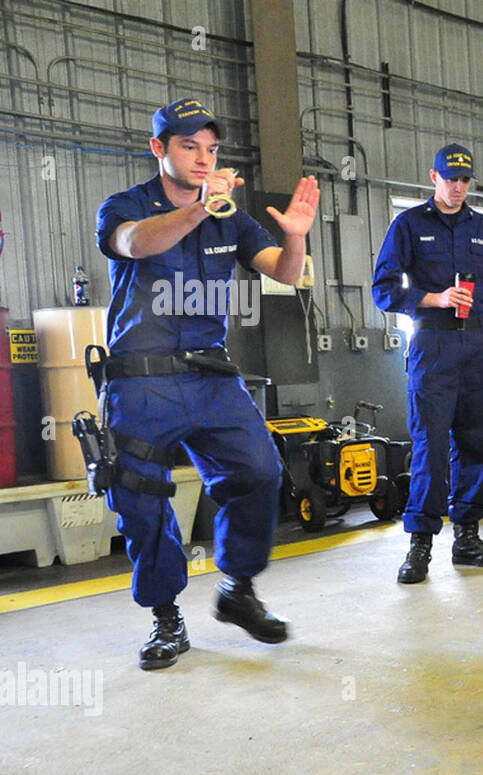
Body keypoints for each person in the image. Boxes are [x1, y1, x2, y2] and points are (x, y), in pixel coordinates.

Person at [95, 98, 320, 670]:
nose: (202, 158)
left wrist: (294, 235)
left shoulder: (230, 217)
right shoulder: (124, 208)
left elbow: (285, 272)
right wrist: (199, 207)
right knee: (141, 502)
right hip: (140, 384)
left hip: (210, 376)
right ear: (159, 149)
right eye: (188, 146)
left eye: (211, 149)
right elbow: (136, 244)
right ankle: (166, 618)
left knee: (260, 471)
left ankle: (237, 589)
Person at [372, 143, 483, 583]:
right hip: (433, 348)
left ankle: (467, 538)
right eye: (449, 178)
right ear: (432, 177)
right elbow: (383, 288)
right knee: (430, 449)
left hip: (481, 351)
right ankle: (420, 545)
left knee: (479, 444)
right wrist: (432, 299)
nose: (457, 187)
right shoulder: (409, 224)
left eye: (464, 180)